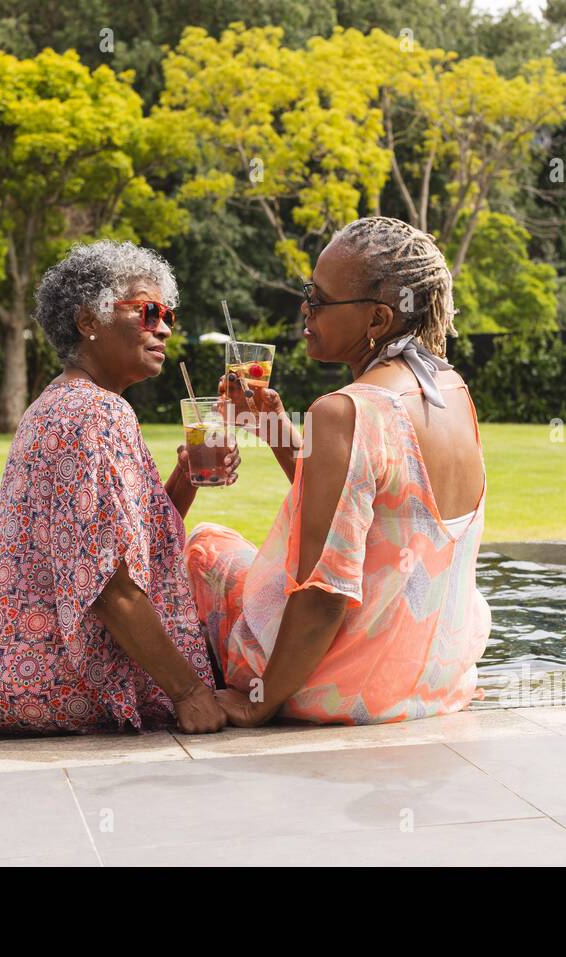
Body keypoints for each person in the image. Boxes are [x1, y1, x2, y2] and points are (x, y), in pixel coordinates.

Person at [0, 240, 238, 735]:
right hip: (33, 681)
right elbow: (110, 587)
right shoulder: (94, 413)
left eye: (168, 315)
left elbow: (134, 545)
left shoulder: (59, 401)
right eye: (146, 310)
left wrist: (187, 474)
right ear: (88, 321)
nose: (162, 327)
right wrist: (190, 694)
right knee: (251, 629)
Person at [186, 216, 490, 726]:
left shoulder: (344, 411)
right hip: (432, 683)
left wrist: (259, 703)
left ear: (376, 319)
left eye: (319, 299)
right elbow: (374, 527)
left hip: (343, 689)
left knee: (206, 546)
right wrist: (277, 430)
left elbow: (325, 594)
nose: (306, 308)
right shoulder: (454, 391)